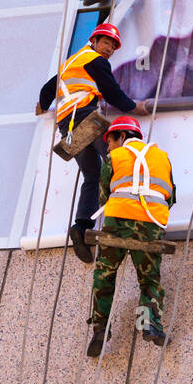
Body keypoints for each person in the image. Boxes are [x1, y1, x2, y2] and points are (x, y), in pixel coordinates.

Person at [36, 23, 149, 264]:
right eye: (107, 43)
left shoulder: (72, 62)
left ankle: (81, 226)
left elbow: (48, 88)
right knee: (120, 158)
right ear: (94, 41)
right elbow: (111, 91)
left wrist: (43, 105)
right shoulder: (95, 60)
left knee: (92, 175)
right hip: (85, 117)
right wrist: (134, 107)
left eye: (113, 46)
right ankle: (125, 219)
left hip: (68, 128)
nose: (109, 49)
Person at [86, 116, 176, 359]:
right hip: (152, 225)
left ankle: (100, 328)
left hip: (118, 221)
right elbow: (170, 197)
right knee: (149, 280)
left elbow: (104, 195)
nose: (108, 147)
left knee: (104, 274)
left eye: (110, 141)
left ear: (122, 136)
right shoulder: (162, 157)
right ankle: (148, 324)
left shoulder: (114, 158)